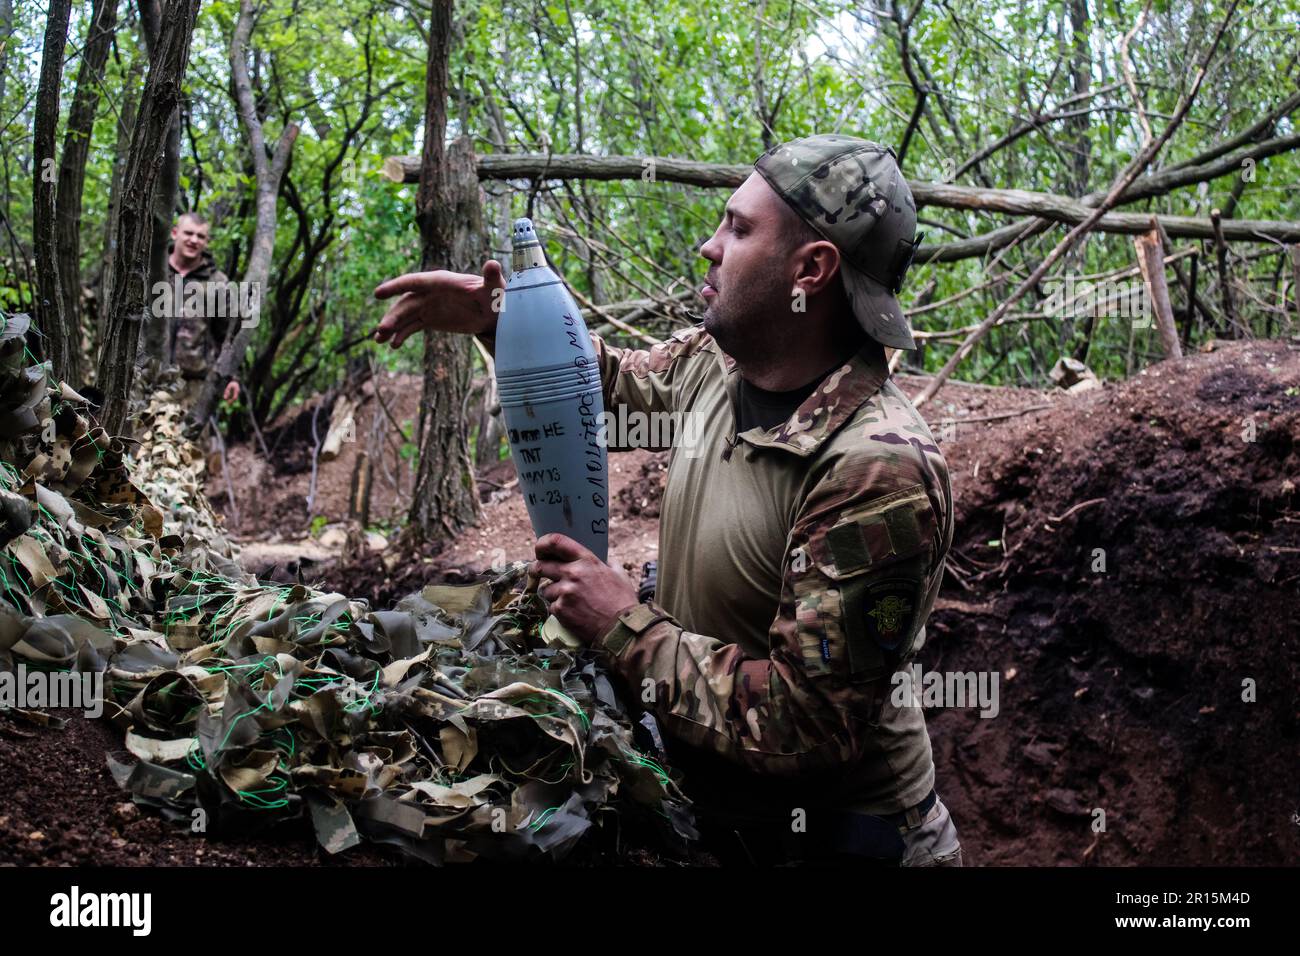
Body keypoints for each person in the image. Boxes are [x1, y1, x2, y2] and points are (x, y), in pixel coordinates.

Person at [374, 134, 961, 867]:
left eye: (739, 229)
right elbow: (601, 397)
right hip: (716, 821)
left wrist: (621, 624)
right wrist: (504, 319)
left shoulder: (876, 470)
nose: (709, 247)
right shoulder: (717, 364)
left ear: (810, 269)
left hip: (844, 844)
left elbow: (802, 727)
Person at [165, 212, 241, 408]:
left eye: (200, 236)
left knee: (185, 439)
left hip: (193, 385)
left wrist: (232, 376)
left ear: (206, 242)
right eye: (188, 233)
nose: (193, 240)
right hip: (145, 378)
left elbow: (227, 334)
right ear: (175, 233)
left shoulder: (218, 282)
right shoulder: (154, 269)